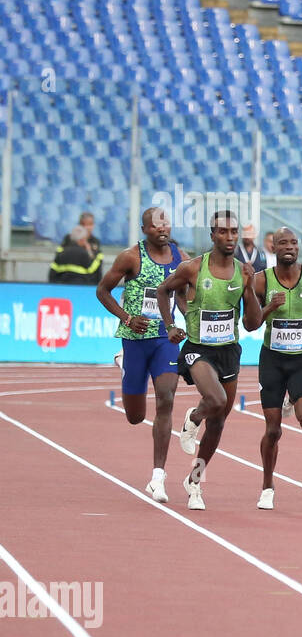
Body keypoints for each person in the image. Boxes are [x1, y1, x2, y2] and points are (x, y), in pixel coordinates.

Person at [157, 210, 261, 511]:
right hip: (197, 348)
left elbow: (253, 324)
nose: (230, 237)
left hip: (229, 350)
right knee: (213, 400)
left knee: (219, 422)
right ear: (212, 235)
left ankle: (195, 480)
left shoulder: (244, 271)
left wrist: (250, 289)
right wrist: (170, 325)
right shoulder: (192, 268)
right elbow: (164, 291)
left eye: (234, 232)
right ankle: (193, 417)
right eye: (223, 232)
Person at [95, 207, 187, 502]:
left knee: (167, 398)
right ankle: (124, 363)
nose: (163, 228)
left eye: (166, 224)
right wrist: (126, 318)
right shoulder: (130, 257)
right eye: (156, 225)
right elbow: (103, 291)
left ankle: (157, 477)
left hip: (165, 337)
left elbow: (184, 294)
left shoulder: (180, 257)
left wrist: (189, 321)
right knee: (135, 416)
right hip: (134, 339)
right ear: (145, 229)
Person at [247, 227, 302, 510]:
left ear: (298, 248)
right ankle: (267, 485)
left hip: (300, 360)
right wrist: (269, 308)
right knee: (273, 430)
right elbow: (250, 324)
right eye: (283, 243)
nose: (289, 247)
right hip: (272, 361)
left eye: (294, 243)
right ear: (273, 248)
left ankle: (292, 397)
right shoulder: (262, 281)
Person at [48, 220, 103, 285]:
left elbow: (53, 271)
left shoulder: (63, 253)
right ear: (82, 239)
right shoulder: (84, 254)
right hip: (81, 287)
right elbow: (93, 271)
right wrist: (89, 251)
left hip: (62, 286)